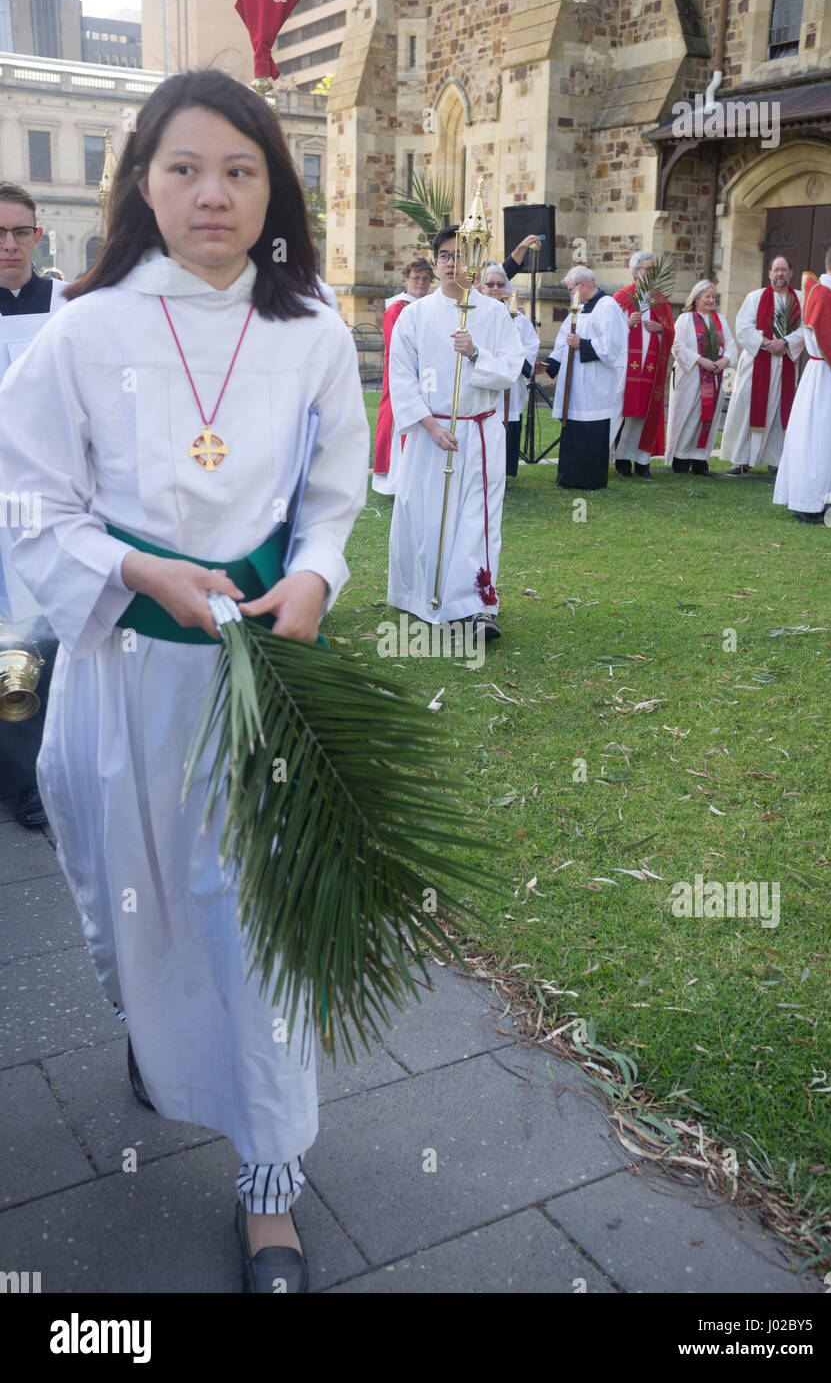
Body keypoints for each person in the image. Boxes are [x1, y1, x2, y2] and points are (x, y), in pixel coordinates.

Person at [0, 69, 368, 1293]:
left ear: (274, 187)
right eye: (183, 168)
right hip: (122, 679)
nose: (212, 193)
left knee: (252, 929)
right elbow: (30, 502)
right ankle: (162, 1050)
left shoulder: (310, 328)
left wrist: (315, 574)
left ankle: (270, 1184)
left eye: (240, 169)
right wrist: (130, 568)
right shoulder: (84, 329)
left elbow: (331, 500)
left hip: (257, 679)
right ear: (141, 183)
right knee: (140, 909)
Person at [387, 225, 525, 640]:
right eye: (444, 255)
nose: (452, 263)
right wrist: (429, 425)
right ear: (434, 261)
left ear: (476, 260)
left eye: (460, 255)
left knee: (475, 521)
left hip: (478, 433)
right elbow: (401, 376)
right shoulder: (415, 314)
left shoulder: (495, 312)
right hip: (431, 433)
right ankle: (420, 594)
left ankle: (476, 605)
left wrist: (476, 353)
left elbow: (509, 369)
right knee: (425, 514)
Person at [0, 181, 66, 828]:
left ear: (37, 237)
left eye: (20, 232)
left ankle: (32, 780)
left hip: (49, 499)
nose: (9, 244)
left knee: (35, 641)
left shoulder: (66, 308)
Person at [774, 245, 831, 521]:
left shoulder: (826, 293)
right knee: (818, 439)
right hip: (826, 375)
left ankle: (818, 498)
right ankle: (808, 502)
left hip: (825, 375)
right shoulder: (825, 296)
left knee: (825, 438)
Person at [719, 257, 805, 477]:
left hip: (784, 363)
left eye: (784, 270)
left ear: (791, 273)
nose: (780, 274)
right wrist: (768, 343)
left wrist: (784, 342)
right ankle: (741, 460)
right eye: (776, 270)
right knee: (746, 408)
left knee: (779, 412)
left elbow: (807, 330)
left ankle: (775, 460)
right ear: (769, 273)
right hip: (757, 362)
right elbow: (742, 327)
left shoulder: (801, 300)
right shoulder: (755, 297)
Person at [545, 264, 628, 489]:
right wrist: (549, 364)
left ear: (582, 285)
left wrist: (582, 344)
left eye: (571, 289)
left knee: (591, 429)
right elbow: (564, 340)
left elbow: (615, 345)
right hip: (575, 385)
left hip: (595, 383)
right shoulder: (578, 309)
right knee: (572, 426)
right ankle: (570, 476)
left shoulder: (607, 306)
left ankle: (589, 479)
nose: (570, 294)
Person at [373, 257, 435, 495]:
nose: (420, 283)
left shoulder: (429, 305)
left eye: (425, 278)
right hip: (402, 369)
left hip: (427, 370)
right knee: (399, 417)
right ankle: (394, 478)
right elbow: (396, 344)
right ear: (406, 279)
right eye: (415, 278)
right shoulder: (397, 308)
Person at [612, 250, 674, 479]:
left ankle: (642, 461)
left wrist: (662, 329)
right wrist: (627, 323)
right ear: (636, 272)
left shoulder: (661, 300)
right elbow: (607, 332)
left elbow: (671, 331)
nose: (653, 273)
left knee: (646, 413)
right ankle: (622, 460)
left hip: (651, 369)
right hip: (626, 368)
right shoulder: (622, 297)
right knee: (626, 412)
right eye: (649, 269)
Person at [666, 280, 737, 476]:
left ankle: (699, 459)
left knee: (708, 417)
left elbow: (731, 345)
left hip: (714, 377)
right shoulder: (685, 320)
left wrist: (725, 361)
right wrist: (700, 360)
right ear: (696, 298)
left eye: (713, 297)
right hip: (690, 378)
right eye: (707, 296)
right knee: (688, 416)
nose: (711, 300)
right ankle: (681, 458)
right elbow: (677, 346)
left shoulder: (720, 320)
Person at [480, 262, 539, 478]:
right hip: (483, 382)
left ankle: (504, 472)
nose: (496, 289)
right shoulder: (474, 314)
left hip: (510, 385)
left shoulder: (519, 320)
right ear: (481, 287)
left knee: (508, 424)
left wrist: (512, 363)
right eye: (490, 284)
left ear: (506, 288)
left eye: (500, 284)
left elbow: (530, 347)